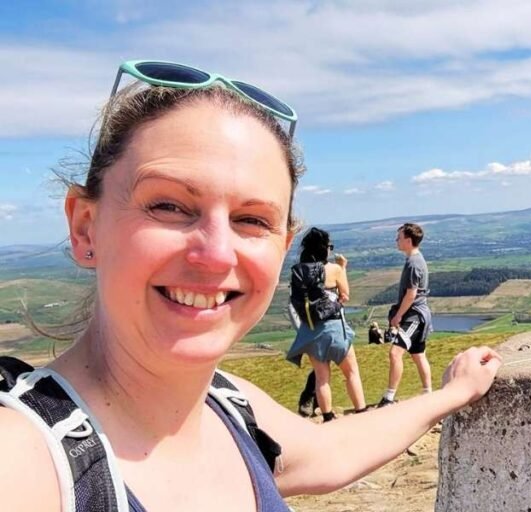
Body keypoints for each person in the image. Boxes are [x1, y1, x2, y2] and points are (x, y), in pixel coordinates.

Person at [0, 60, 501, 511]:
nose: (216, 253)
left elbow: (331, 452)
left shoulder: (229, 404)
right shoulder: (24, 462)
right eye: (168, 206)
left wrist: (452, 394)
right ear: (85, 227)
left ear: (283, 247)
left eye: (252, 219)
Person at [286, 228, 367, 420]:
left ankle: (328, 416)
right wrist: (343, 267)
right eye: (329, 246)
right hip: (334, 328)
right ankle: (361, 411)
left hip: (311, 330)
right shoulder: (334, 269)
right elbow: (345, 295)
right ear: (324, 249)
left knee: (322, 379)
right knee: (351, 373)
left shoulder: (299, 270)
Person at [377, 223, 433, 408]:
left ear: (408, 241)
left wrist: (398, 316)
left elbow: (411, 294)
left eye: (399, 237)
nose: (396, 241)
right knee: (418, 354)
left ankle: (389, 398)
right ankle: (428, 395)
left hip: (414, 316)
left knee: (395, 353)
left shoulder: (413, 263)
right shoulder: (416, 260)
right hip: (419, 315)